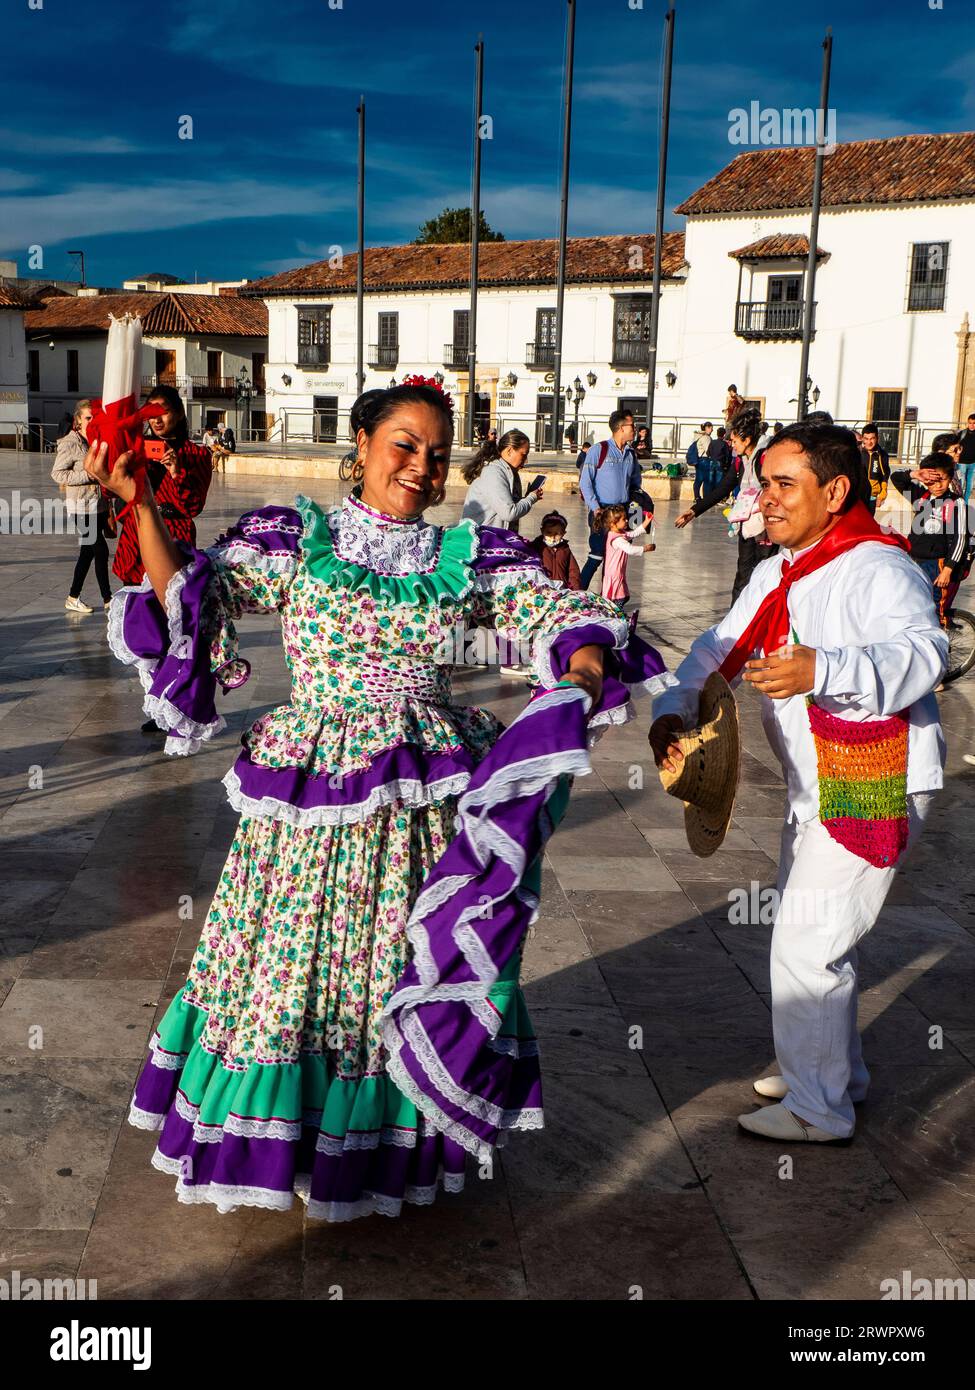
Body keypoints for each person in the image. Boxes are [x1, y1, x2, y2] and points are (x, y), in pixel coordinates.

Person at [89, 378, 670, 1221]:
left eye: (436, 455)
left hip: (423, 801)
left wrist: (581, 661)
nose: (421, 468)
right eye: (403, 444)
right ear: (359, 446)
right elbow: (193, 593)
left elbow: (560, 608)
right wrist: (138, 502)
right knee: (297, 974)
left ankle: (387, 1146)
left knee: (395, 968)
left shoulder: (467, 554)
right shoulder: (293, 538)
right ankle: (290, 1141)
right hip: (311, 791)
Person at [650, 422, 946, 1144]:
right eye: (763, 482)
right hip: (816, 783)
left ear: (834, 489)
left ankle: (819, 1110)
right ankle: (827, 1071)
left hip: (874, 777)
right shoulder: (780, 570)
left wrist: (826, 671)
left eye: (783, 483)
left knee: (807, 941)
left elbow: (923, 651)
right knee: (813, 932)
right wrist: (670, 709)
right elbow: (719, 644)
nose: (765, 499)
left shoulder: (878, 568)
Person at [112, 385, 213, 734]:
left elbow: (193, 506)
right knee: (145, 629)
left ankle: (180, 704)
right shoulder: (135, 450)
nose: (156, 419)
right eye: (150, 412)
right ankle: (157, 705)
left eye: (164, 411)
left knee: (177, 630)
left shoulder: (197, 455)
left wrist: (175, 470)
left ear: (180, 413)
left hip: (175, 541)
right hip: (137, 537)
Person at [675, 410, 776, 603]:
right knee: (743, 574)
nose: (732, 444)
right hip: (746, 525)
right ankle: (736, 620)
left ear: (746, 440)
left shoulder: (766, 457)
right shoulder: (741, 460)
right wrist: (694, 511)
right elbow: (723, 488)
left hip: (767, 528)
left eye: (735, 441)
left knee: (764, 575)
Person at [890, 453, 969, 628]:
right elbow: (895, 478)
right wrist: (915, 473)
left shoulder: (956, 503)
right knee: (909, 605)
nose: (938, 485)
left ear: (950, 479)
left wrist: (947, 570)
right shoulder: (921, 496)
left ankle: (937, 649)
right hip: (913, 560)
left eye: (943, 479)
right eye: (933, 480)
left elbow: (960, 538)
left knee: (933, 612)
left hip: (937, 565)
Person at [51, 399, 114, 613]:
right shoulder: (70, 443)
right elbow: (57, 473)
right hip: (81, 508)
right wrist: (87, 475)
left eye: (95, 417)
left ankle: (73, 596)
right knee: (101, 550)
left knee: (87, 553)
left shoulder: (98, 441)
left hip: (99, 505)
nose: (92, 421)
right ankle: (108, 600)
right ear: (78, 420)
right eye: (88, 418)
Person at [578, 410, 652, 591]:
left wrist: (638, 505)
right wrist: (595, 508)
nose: (635, 429)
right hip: (602, 512)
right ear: (620, 428)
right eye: (631, 425)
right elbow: (585, 482)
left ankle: (610, 598)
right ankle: (577, 594)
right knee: (597, 554)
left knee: (617, 558)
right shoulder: (599, 450)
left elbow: (635, 482)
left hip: (622, 512)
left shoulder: (630, 454)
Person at [460, 428, 541, 533]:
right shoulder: (493, 472)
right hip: (482, 542)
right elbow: (509, 513)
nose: (526, 460)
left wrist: (526, 497)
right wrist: (531, 498)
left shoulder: (509, 471)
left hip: (496, 539)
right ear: (509, 451)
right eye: (523, 455)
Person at [598, 503, 655, 609]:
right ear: (613, 523)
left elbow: (632, 534)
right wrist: (645, 548)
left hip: (617, 573)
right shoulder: (618, 539)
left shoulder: (618, 533)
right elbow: (630, 549)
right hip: (614, 574)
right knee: (620, 598)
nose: (627, 521)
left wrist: (646, 521)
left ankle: (614, 613)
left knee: (620, 597)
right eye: (624, 519)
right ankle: (616, 614)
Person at [528, 510, 582, 589]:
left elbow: (573, 571)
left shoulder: (565, 549)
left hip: (561, 588)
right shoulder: (536, 547)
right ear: (542, 531)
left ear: (563, 533)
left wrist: (576, 588)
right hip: (542, 589)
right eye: (549, 533)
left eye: (557, 534)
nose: (552, 537)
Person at [857, 423, 891, 516]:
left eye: (872, 438)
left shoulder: (882, 455)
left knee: (868, 524)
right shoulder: (857, 452)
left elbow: (885, 475)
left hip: (872, 497)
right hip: (858, 497)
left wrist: (882, 494)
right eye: (866, 439)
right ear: (862, 438)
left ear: (877, 438)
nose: (869, 442)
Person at [688, 422, 714, 502]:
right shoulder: (706, 437)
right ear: (706, 428)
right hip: (705, 460)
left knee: (698, 479)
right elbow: (708, 450)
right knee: (706, 480)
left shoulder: (698, 436)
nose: (712, 430)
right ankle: (706, 498)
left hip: (699, 460)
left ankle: (696, 497)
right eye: (711, 428)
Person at [957, 413, 975, 505]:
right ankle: (959, 503)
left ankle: (965, 504)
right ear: (967, 423)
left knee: (970, 486)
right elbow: (955, 446)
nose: (972, 425)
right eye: (970, 423)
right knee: (960, 485)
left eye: (974, 423)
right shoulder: (962, 433)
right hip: (961, 464)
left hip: (973, 464)